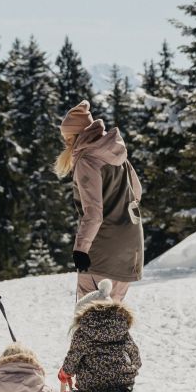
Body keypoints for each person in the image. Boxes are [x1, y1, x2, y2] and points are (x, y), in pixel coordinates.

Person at [55, 100, 145, 302]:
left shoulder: (87, 160)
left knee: (90, 312)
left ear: (77, 135)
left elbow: (94, 214)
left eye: (67, 137)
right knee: (115, 314)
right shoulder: (115, 152)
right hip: (131, 244)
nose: (66, 143)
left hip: (102, 246)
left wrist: (81, 249)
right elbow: (137, 192)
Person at [58, 279, 141, 392]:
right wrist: (131, 370)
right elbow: (135, 357)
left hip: (91, 389)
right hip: (121, 388)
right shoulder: (122, 329)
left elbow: (73, 358)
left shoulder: (83, 332)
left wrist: (65, 372)